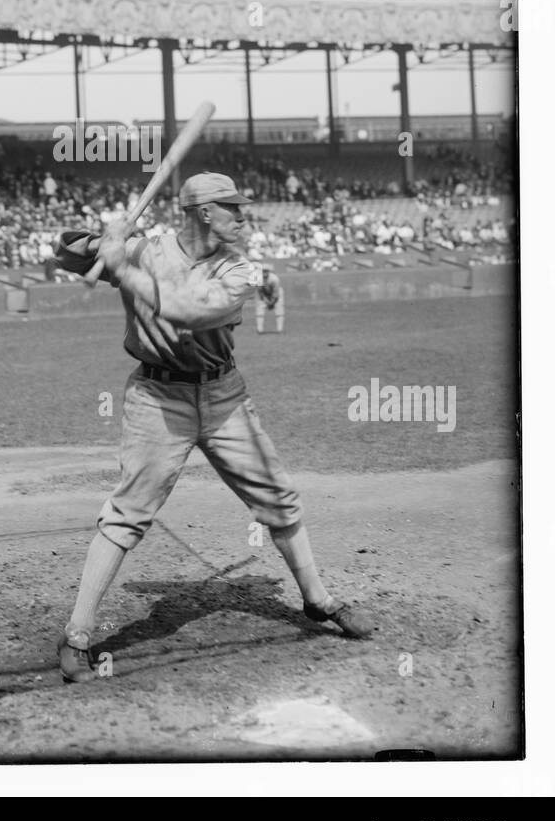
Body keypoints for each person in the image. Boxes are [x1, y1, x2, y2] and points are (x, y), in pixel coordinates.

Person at [52, 172, 373, 683]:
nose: (243, 217)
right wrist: (104, 238)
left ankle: (317, 599)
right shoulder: (144, 249)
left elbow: (188, 310)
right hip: (157, 399)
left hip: (224, 397)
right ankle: (77, 634)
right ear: (204, 212)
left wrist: (122, 266)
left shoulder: (239, 270)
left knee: (278, 497)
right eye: (233, 208)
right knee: (127, 514)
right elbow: (64, 253)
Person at [254, 263, 285, 333]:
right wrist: (266, 301)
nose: (264, 272)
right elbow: (260, 292)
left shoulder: (274, 279)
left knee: (279, 309)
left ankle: (280, 330)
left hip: (277, 294)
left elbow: (276, 292)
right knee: (259, 308)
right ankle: (259, 330)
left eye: (266, 271)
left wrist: (272, 302)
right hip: (264, 294)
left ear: (269, 271)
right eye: (263, 271)